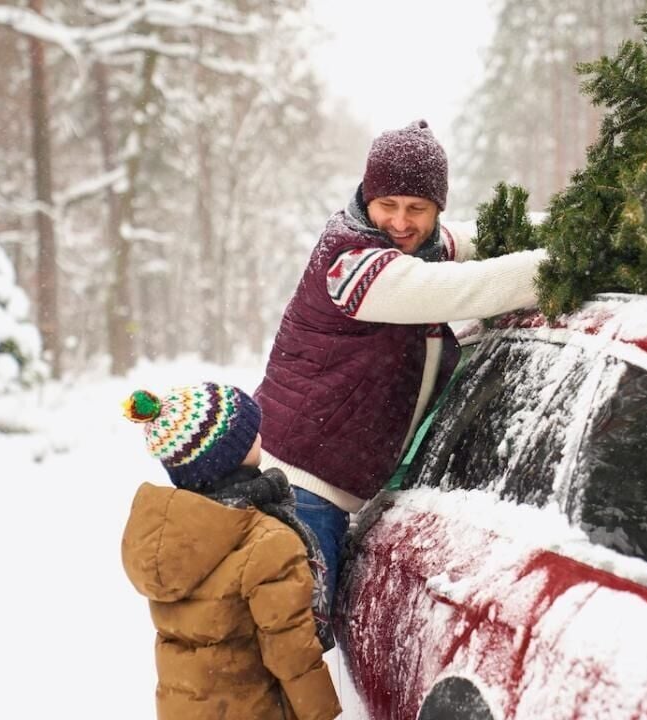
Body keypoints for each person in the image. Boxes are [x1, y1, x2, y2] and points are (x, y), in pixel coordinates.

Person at [254, 119, 546, 605]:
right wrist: (566, 260)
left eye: (418, 208)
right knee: (292, 647)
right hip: (299, 492)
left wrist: (579, 219)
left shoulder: (414, 246)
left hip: (321, 489)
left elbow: (486, 236)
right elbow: (466, 289)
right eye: (387, 205)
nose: (402, 222)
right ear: (366, 199)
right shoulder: (351, 263)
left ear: (437, 209)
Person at [120, 382, 341, 720]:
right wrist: (321, 712)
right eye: (251, 433)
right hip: (256, 707)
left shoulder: (177, 534)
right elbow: (291, 650)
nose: (261, 437)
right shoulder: (268, 542)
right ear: (229, 457)